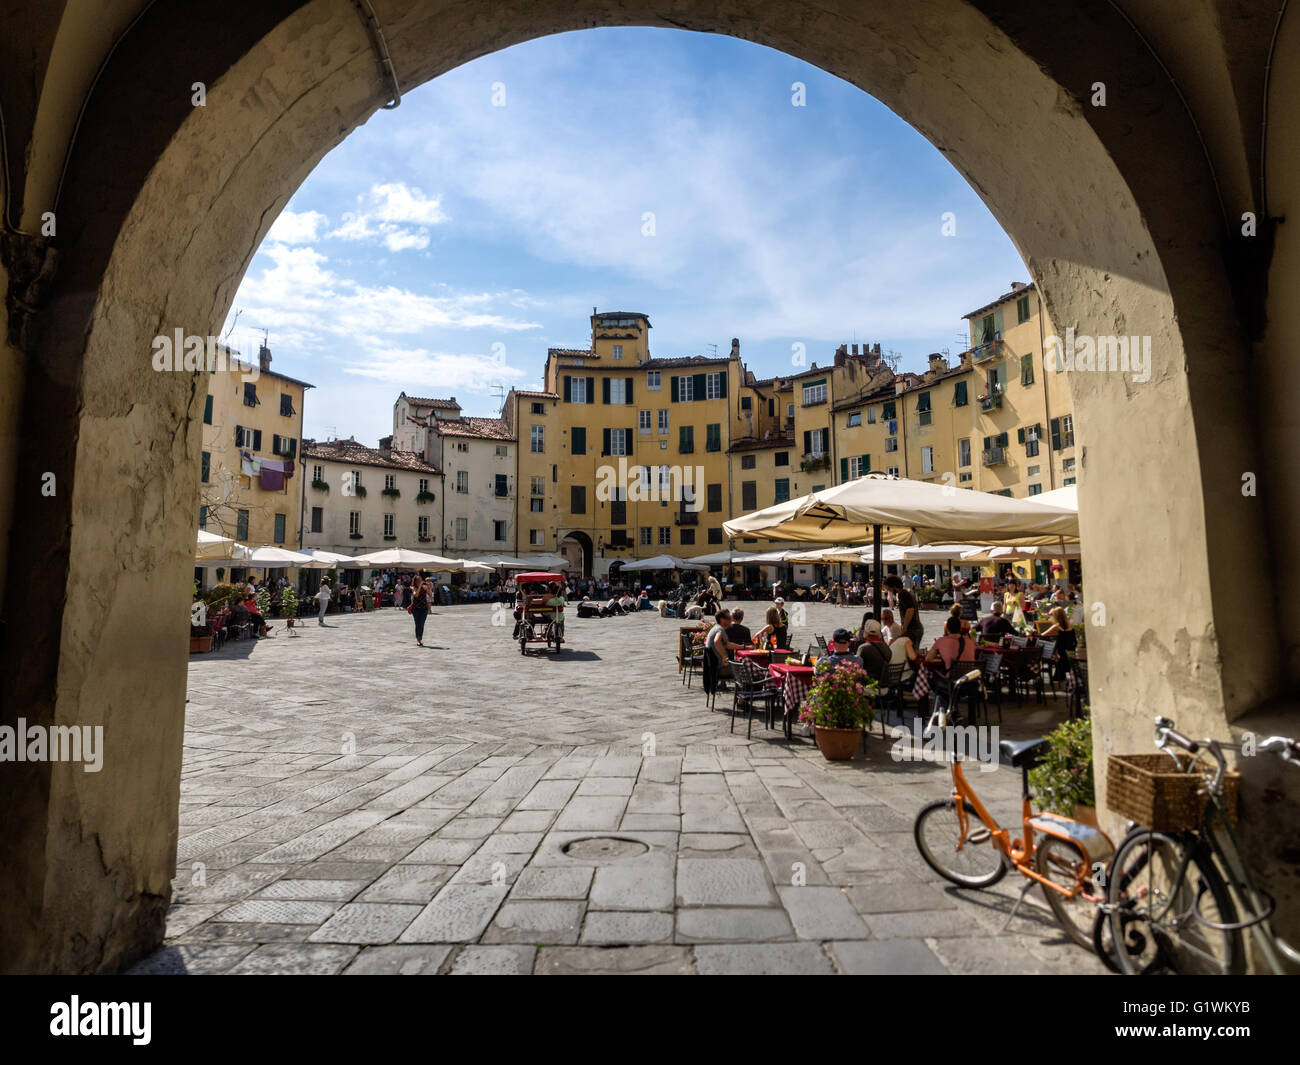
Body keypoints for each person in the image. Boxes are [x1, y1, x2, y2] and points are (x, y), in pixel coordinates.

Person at [885, 575, 924, 648]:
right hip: (915, 628)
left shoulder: (902, 594)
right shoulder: (904, 593)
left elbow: (910, 610)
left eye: (889, 588)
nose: (888, 591)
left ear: (893, 586)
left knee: (910, 652)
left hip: (913, 629)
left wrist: (905, 627)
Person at [1040, 605, 1077, 681]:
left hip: (1060, 652)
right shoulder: (1070, 626)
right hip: (1069, 650)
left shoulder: (1056, 626)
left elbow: (1042, 635)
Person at [704, 609, 734, 686]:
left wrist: (744, 647)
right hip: (719, 669)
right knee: (744, 669)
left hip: (711, 666)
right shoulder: (720, 629)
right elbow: (716, 641)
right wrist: (724, 656)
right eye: (728, 618)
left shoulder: (716, 628)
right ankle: (746, 694)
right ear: (722, 620)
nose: (731, 619)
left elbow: (727, 644)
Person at [409, 576, 431, 646]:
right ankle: (418, 639)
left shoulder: (424, 587)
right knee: (417, 624)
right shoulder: (413, 587)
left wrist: (428, 589)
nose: (420, 582)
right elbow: (416, 595)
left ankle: (419, 639)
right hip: (416, 609)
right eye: (418, 581)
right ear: (415, 582)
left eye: (421, 580)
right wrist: (420, 586)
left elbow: (430, 595)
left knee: (421, 624)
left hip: (424, 608)